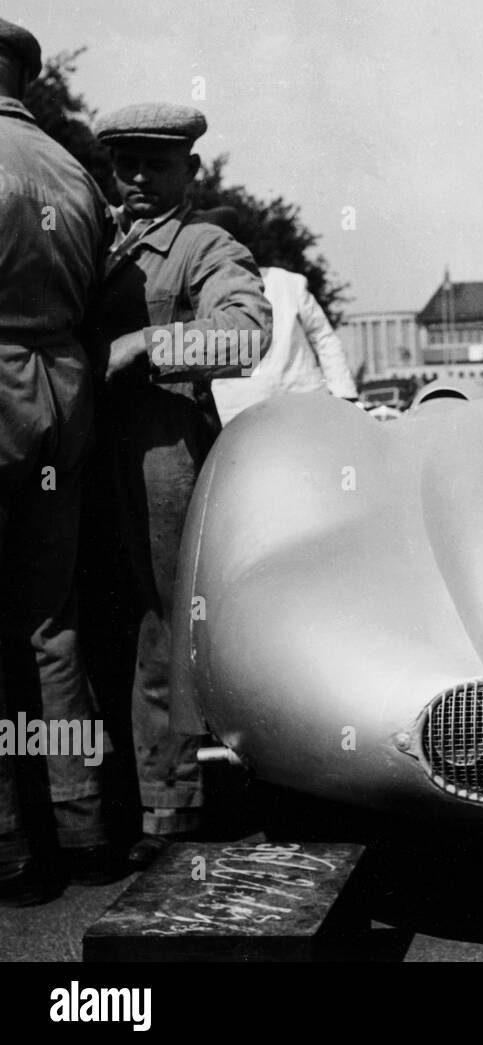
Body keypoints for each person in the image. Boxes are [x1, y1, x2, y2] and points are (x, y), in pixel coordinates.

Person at [80, 103, 272, 869]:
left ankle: (171, 810)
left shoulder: (205, 245)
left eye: (156, 165)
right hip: (81, 449)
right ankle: (97, 806)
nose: (136, 179)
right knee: (89, 628)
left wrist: (146, 342)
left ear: (192, 172)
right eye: (124, 163)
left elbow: (246, 335)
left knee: (161, 630)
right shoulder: (89, 239)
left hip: (160, 449)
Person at [0, 17, 114, 904]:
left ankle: (9, 849)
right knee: (51, 621)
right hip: (64, 389)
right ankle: (80, 827)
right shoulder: (71, 169)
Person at [196, 206, 358, 423]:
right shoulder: (199, 298)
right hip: (240, 415)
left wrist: (344, 393)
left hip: (303, 405)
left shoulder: (286, 283)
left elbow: (324, 338)